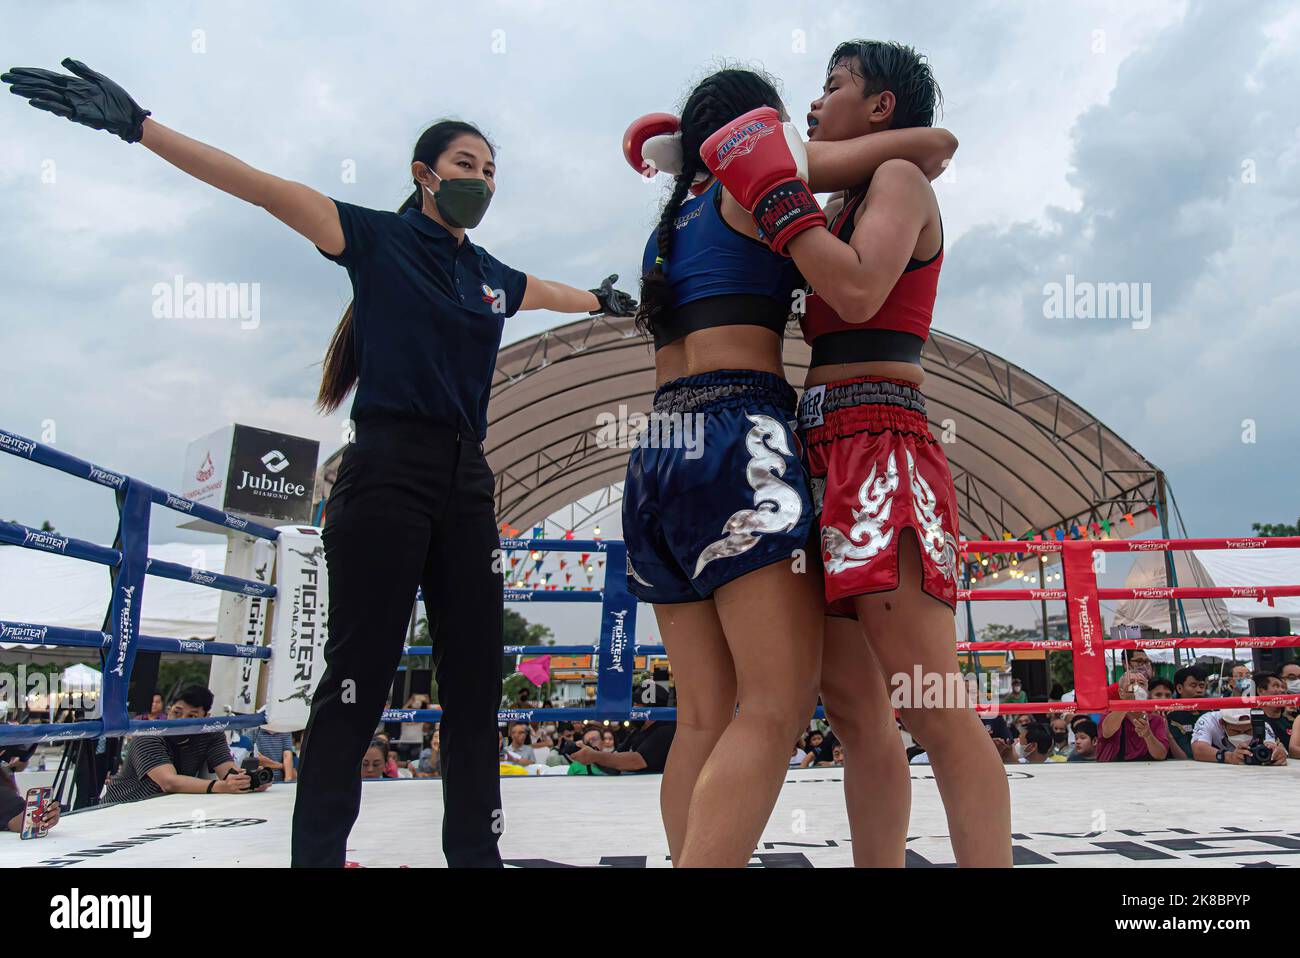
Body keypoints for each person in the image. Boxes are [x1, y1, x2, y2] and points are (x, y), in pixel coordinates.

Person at [2, 58, 640, 867]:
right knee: (356, 681)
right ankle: (317, 860)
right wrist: (138, 125)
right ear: (424, 174)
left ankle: (475, 859)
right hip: (385, 473)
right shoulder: (375, 237)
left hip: (466, 481)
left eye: (490, 171)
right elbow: (260, 187)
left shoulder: (489, 277)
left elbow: (546, 291)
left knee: (475, 685)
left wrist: (602, 299)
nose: (480, 181)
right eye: (465, 166)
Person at [623, 64, 956, 867]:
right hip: (741, 435)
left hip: (658, 449)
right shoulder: (751, 175)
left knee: (704, 715)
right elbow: (934, 147)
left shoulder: (667, 227)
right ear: (749, 128)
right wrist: (760, 143)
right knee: (773, 706)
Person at [701, 40, 1011, 866]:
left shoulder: (900, 182)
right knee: (857, 713)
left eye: (832, 86)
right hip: (816, 448)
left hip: (882, 442)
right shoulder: (839, 205)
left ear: (880, 108)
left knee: (932, 701)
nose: (813, 101)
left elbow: (861, 288)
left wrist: (776, 197)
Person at [102, 686, 266, 803]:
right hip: (121, 806)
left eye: (192, 716)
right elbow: (169, 782)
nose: (182, 720)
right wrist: (223, 786)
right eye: (177, 712)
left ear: (205, 716)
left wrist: (249, 779)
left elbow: (228, 772)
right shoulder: (150, 735)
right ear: (168, 709)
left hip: (161, 808)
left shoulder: (210, 734)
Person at [1095, 672, 1168, 762]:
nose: (1136, 686)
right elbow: (1106, 732)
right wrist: (1126, 703)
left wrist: (1148, 735)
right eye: (1131, 682)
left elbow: (1161, 755)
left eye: (1141, 683)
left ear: (1147, 692)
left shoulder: (1156, 720)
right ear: (1121, 693)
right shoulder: (1110, 714)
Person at [1191, 708, 1286, 766]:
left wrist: (1276, 754)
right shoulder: (1208, 720)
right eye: (1236, 731)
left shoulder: (1261, 724)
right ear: (1222, 723)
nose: (1242, 736)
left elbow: (1271, 745)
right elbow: (1198, 749)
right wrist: (1229, 757)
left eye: (1248, 731)